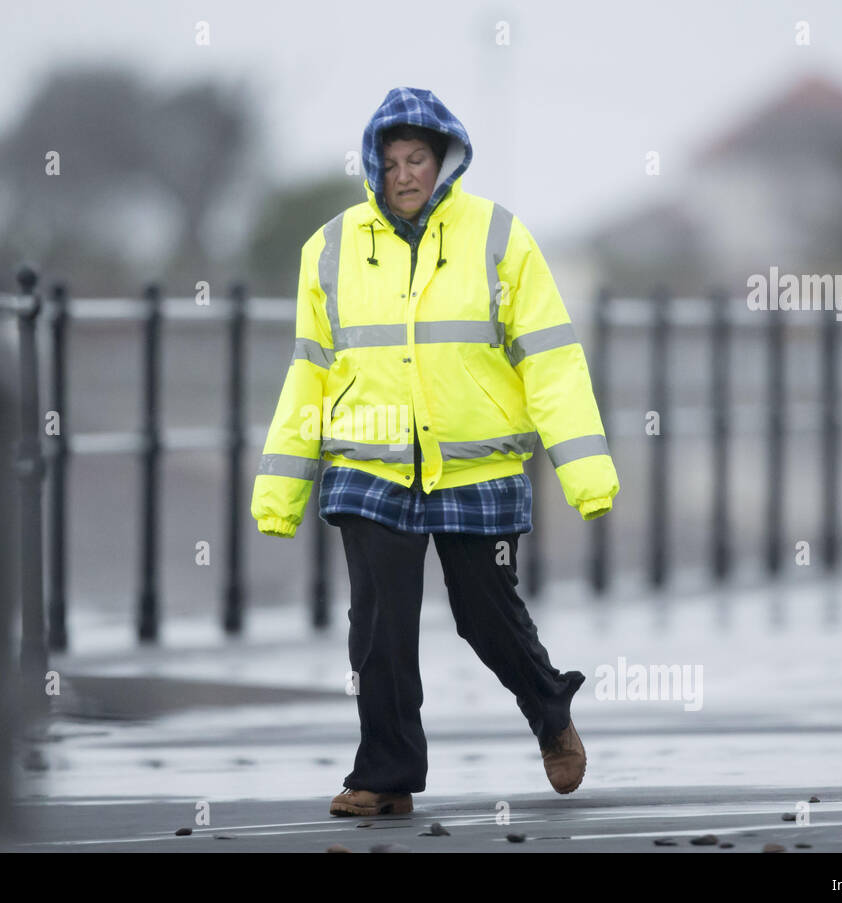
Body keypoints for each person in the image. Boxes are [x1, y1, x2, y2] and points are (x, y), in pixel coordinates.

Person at [250, 86, 620, 817]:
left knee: (485, 613)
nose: (404, 174)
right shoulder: (329, 248)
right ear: (372, 167)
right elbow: (309, 373)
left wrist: (585, 470)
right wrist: (280, 488)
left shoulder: (499, 238)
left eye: (416, 158)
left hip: (476, 463)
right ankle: (385, 773)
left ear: (443, 159)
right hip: (370, 462)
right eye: (389, 162)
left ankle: (549, 706)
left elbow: (549, 358)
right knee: (379, 622)